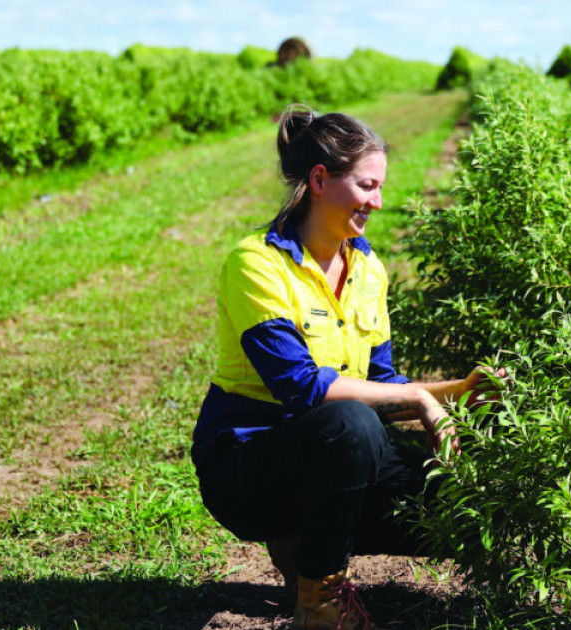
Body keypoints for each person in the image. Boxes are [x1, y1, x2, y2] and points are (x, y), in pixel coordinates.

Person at [190, 105, 497, 630]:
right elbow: (304, 389)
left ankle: (302, 540)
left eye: (379, 187)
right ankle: (320, 600)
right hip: (245, 468)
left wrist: (462, 392)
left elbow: (382, 386)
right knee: (352, 424)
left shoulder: (367, 269)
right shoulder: (258, 264)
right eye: (366, 185)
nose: (377, 201)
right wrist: (425, 400)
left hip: (329, 451)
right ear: (318, 180)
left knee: (458, 499)